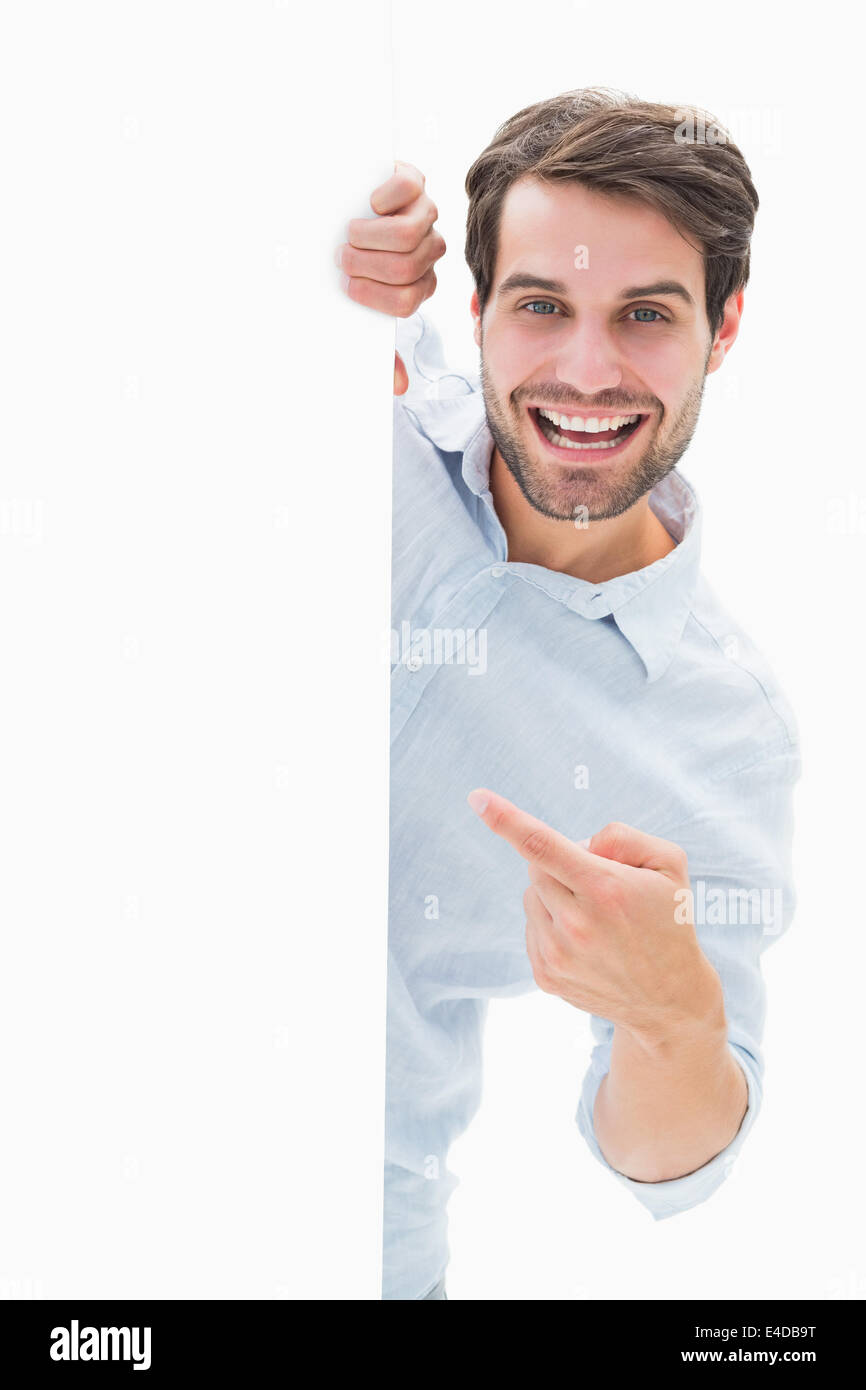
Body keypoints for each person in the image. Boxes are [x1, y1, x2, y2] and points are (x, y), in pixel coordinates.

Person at [336, 89, 800, 1302]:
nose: (586, 375)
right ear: (476, 307)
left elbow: (668, 1158)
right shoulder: (356, 404)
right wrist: (305, 249)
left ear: (722, 327)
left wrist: (671, 1017)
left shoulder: (723, 730)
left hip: (347, 1253)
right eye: (541, 305)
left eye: (644, 315)